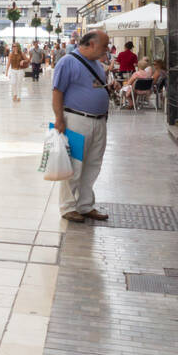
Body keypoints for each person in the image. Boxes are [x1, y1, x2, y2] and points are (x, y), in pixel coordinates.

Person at [52, 31, 112, 223]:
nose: (106, 50)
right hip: (77, 120)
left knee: (93, 164)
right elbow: (57, 91)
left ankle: (85, 205)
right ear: (92, 44)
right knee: (74, 166)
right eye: (104, 46)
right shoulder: (67, 62)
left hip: (98, 121)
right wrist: (59, 119)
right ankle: (68, 207)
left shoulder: (97, 64)